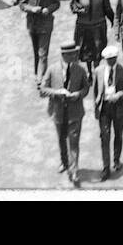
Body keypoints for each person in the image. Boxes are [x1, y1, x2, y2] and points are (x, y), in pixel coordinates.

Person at [41, 41, 89, 186]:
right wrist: (57, 92)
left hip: (75, 112)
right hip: (58, 111)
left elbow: (86, 88)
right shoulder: (52, 69)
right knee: (62, 140)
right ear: (63, 55)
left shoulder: (80, 70)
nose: (75, 56)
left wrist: (78, 94)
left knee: (74, 143)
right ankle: (64, 162)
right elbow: (43, 89)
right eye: (71, 54)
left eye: (75, 53)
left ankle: (74, 171)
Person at [93, 42, 123, 181]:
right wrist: (96, 107)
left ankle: (116, 160)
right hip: (104, 107)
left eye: (114, 58)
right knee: (104, 137)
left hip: (119, 107)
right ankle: (106, 168)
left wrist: (121, 94)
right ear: (104, 59)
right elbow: (95, 91)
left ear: (117, 57)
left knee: (118, 135)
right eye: (108, 59)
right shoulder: (98, 70)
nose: (111, 61)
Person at [22, 0, 60, 80]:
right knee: (36, 51)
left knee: (43, 53)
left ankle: (41, 77)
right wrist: (32, 9)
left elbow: (57, 3)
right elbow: (22, 4)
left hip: (46, 24)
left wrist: (48, 10)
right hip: (32, 24)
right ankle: (37, 73)